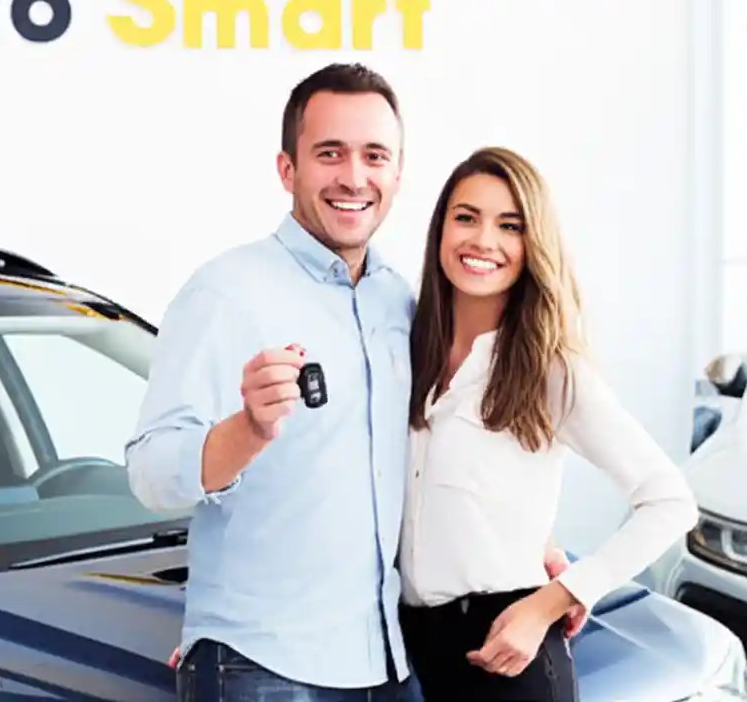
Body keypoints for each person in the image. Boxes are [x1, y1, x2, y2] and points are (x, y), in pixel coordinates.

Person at [126, 63, 577, 700]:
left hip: (388, 664)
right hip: (264, 665)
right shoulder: (225, 293)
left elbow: (425, 454)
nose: (354, 177)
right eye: (330, 154)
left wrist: (531, 543)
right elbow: (150, 473)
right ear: (288, 169)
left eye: (375, 156)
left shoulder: (401, 301)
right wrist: (246, 431)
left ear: (397, 175)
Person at [397, 146, 700, 700]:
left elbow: (670, 502)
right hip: (417, 650)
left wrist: (553, 601)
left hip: (509, 653)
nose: (483, 240)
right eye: (466, 217)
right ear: (440, 227)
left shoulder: (548, 368)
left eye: (509, 225)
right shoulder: (410, 350)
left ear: (533, 243)